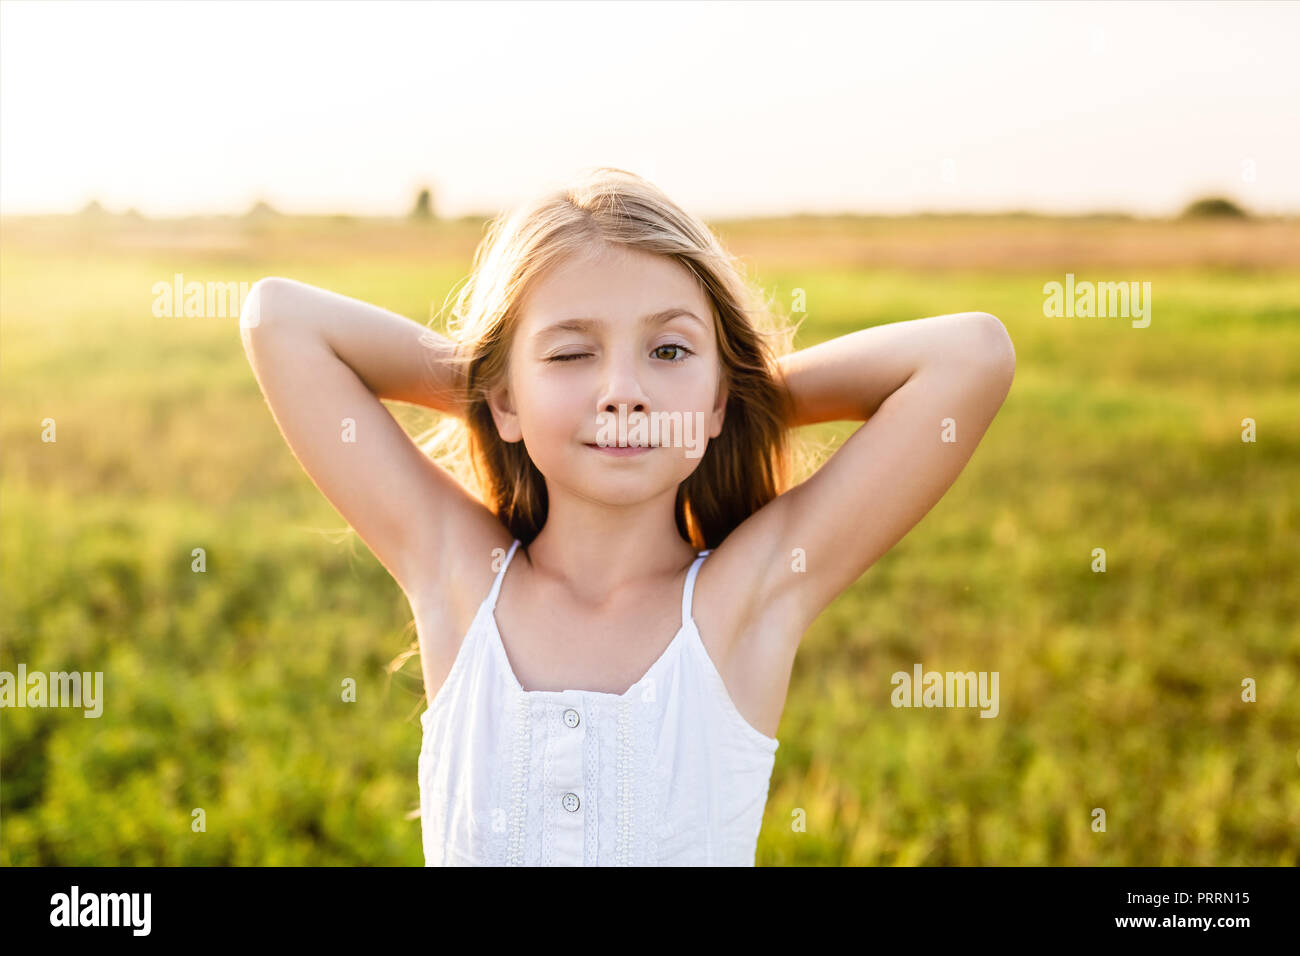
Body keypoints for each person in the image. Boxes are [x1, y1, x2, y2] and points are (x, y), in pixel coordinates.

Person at [238, 167, 1015, 865]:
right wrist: (515, 394)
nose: (622, 391)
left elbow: (971, 357)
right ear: (504, 398)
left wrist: (728, 406)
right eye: (572, 354)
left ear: (717, 395)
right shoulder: (461, 579)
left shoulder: (740, 604)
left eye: (668, 353)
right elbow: (279, 320)